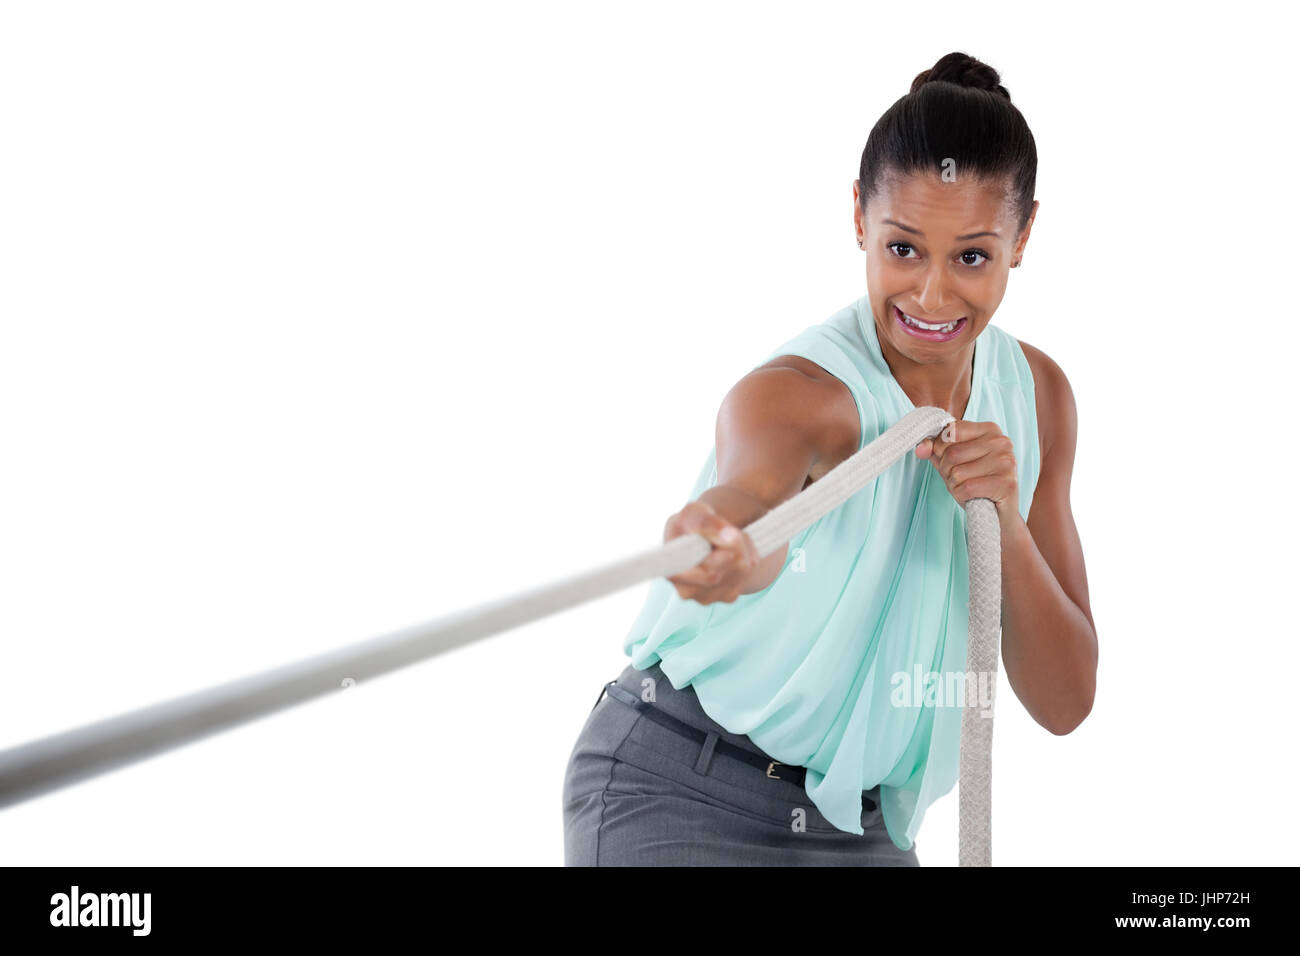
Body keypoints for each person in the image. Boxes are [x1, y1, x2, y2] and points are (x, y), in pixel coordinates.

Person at [562, 51, 1097, 866]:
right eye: (905, 248)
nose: (930, 296)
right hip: (682, 787)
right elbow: (754, 503)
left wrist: (1005, 521)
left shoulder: (1040, 398)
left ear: (1023, 237)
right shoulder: (802, 393)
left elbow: (1066, 701)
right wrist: (724, 541)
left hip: (860, 831)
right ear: (858, 218)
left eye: (973, 257)